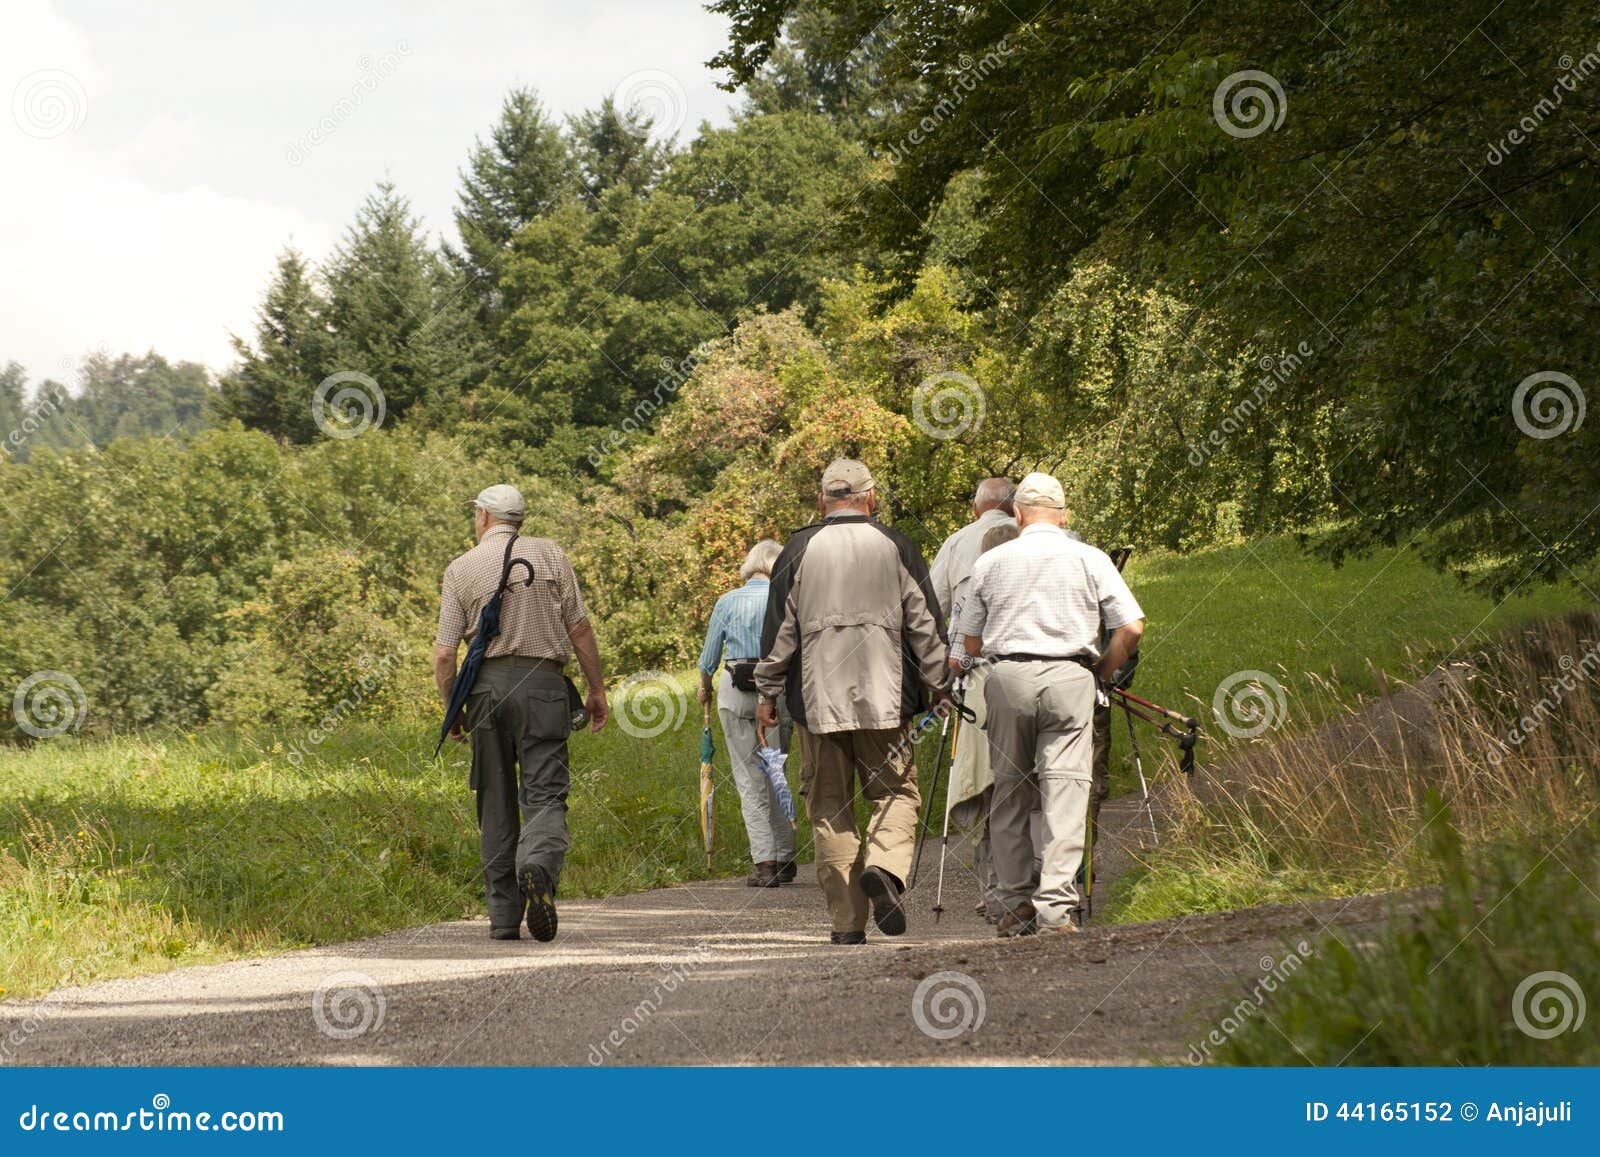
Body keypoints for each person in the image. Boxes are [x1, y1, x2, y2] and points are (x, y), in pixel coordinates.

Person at [755, 459, 950, 944]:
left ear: (822, 501)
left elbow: (779, 634)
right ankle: (884, 868)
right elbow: (923, 624)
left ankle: (847, 925)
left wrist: (767, 692)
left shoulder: (797, 550)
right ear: (870, 497)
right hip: (887, 699)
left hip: (817, 704)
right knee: (896, 794)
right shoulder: (896, 545)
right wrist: (941, 683)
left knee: (829, 807)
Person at [958, 472, 1144, 936]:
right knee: (1065, 794)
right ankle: (1057, 909)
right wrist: (1101, 673)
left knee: (1010, 793)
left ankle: (1014, 903)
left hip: (1009, 678)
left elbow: (971, 641)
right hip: (1071, 678)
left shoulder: (992, 562)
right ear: (1064, 516)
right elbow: (1132, 627)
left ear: (1018, 514)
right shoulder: (1091, 559)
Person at [433, 484, 609, 943]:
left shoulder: (461, 569)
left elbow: (444, 655)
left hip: (486, 692)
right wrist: (596, 689)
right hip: (545, 688)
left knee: (494, 800)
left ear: (485, 518)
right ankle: (539, 866)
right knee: (546, 795)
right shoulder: (551, 555)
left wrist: (452, 707)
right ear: (520, 520)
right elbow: (581, 629)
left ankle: (504, 917)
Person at [927, 479, 1023, 923]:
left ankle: (995, 890)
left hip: (977, 680)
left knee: (984, 783)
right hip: (1046, 675)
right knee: (1031, 787)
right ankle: (1039, 889)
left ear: (975, 508)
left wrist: (939, 678)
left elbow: (930, 608)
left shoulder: (957, 543)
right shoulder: (1050, 539)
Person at [697, 538, 797, 888]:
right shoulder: (785, 600)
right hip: (777, 691)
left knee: (748, 778)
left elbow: (708, 658)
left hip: (736, 690)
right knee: (776, 772)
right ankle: (786, 857)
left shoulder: (727, 601)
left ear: (749, 565)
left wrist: (704, 687)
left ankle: (766, 862)